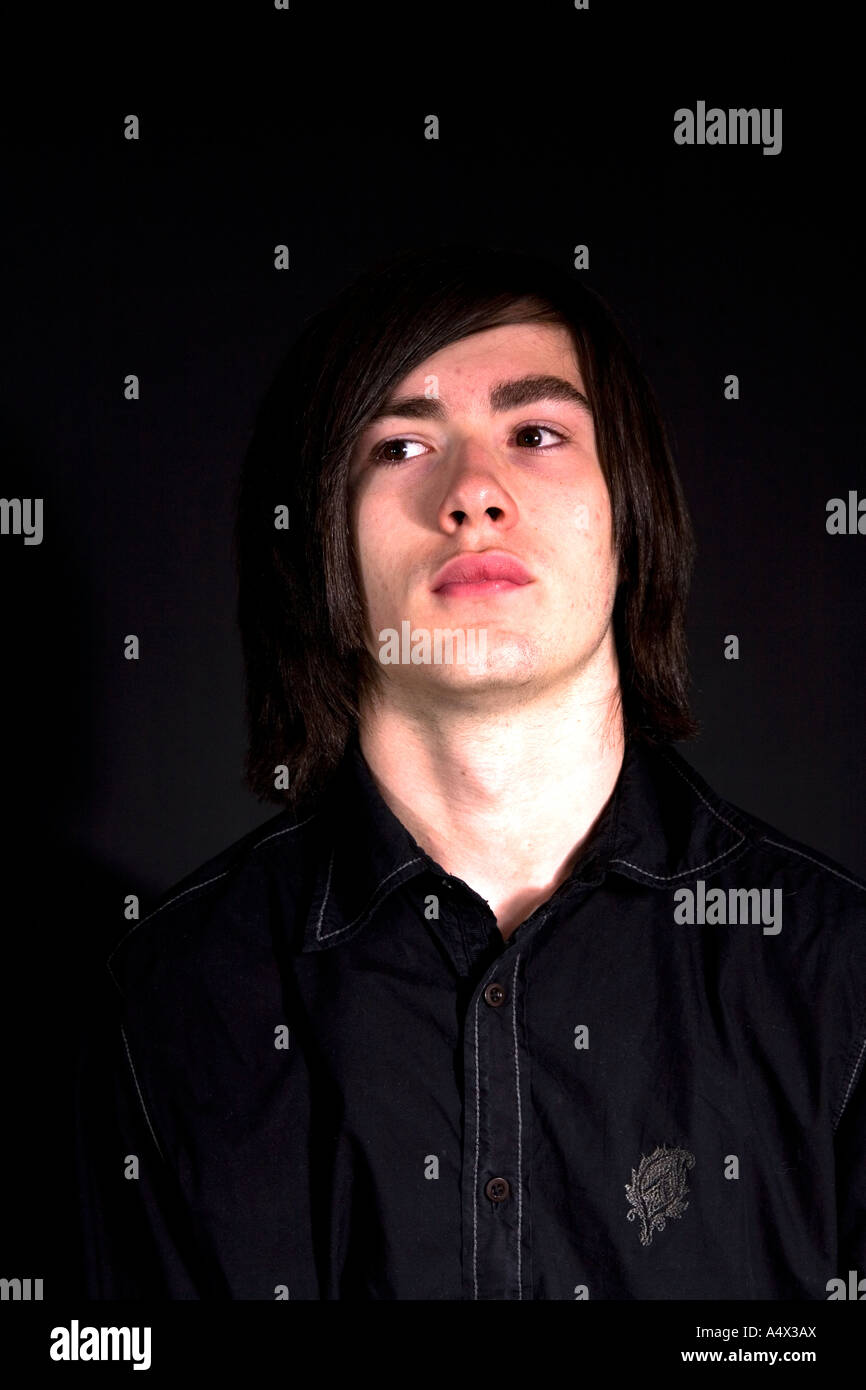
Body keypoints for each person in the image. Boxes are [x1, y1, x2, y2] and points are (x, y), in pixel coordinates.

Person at [76, 244, 866, 1300]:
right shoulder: (168, 999)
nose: (473, 494)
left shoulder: (839, 979)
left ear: (629, 512)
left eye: (535, 433)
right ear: (319, 539)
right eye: (401, 444)